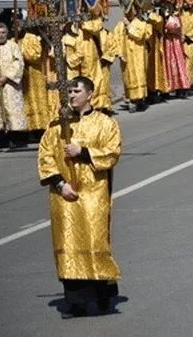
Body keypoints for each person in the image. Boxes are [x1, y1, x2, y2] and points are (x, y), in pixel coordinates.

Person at [37, 76, 122, 318]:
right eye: (70, 92)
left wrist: (82, 152)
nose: (72, 96)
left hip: (94, 194)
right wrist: (60, 184)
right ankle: (75, 302)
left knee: (95, 242)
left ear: (90, 94)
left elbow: (111, 152)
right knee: (68, 244)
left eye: (77, 91)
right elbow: (45, 157)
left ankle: (102, 296)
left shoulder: (105, 123)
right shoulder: (56, 126)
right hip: (64, 196)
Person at [0, 22, 28, 149]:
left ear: (7, 33)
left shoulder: (13, 46)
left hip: (10, 84)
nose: (0, 36)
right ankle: (2, 137)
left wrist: (7, 77)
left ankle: (17, 137)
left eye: (3, 33)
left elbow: (19, 63)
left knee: (12, 108)